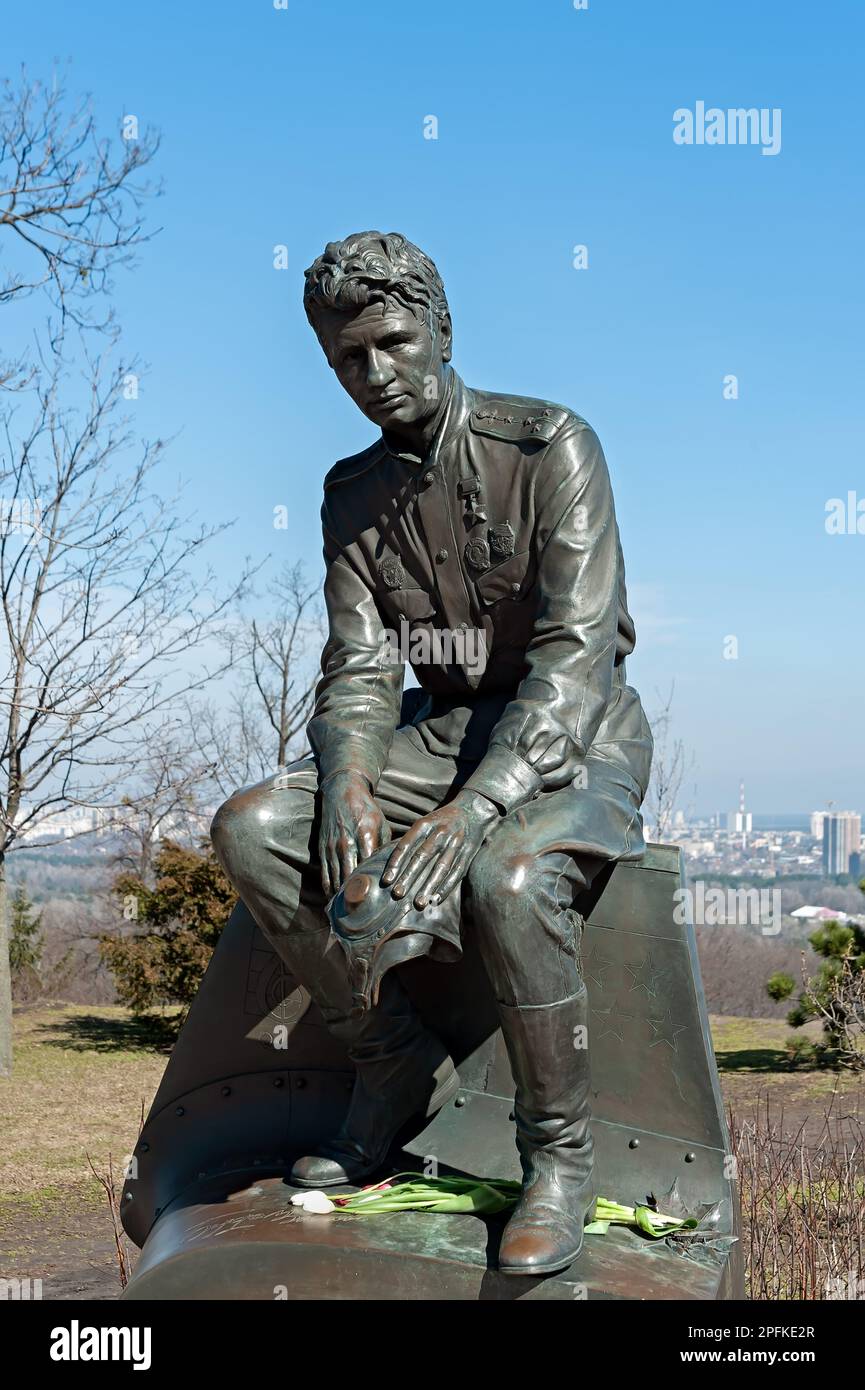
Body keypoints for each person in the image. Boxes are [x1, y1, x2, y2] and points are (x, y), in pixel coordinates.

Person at [211, 231, 653, 1275]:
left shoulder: (549, 448)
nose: (374, 375)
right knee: (257, 826)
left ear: (442, 330)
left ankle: (558, 1153)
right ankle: (393, 1061)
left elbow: (573, 660)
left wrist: (476, 809)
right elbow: (360, 665)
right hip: (443, 730)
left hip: (574, 733)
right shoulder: (348, 493)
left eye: (394, 343)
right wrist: (351, 777)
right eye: (347, 359)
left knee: (506, 877)